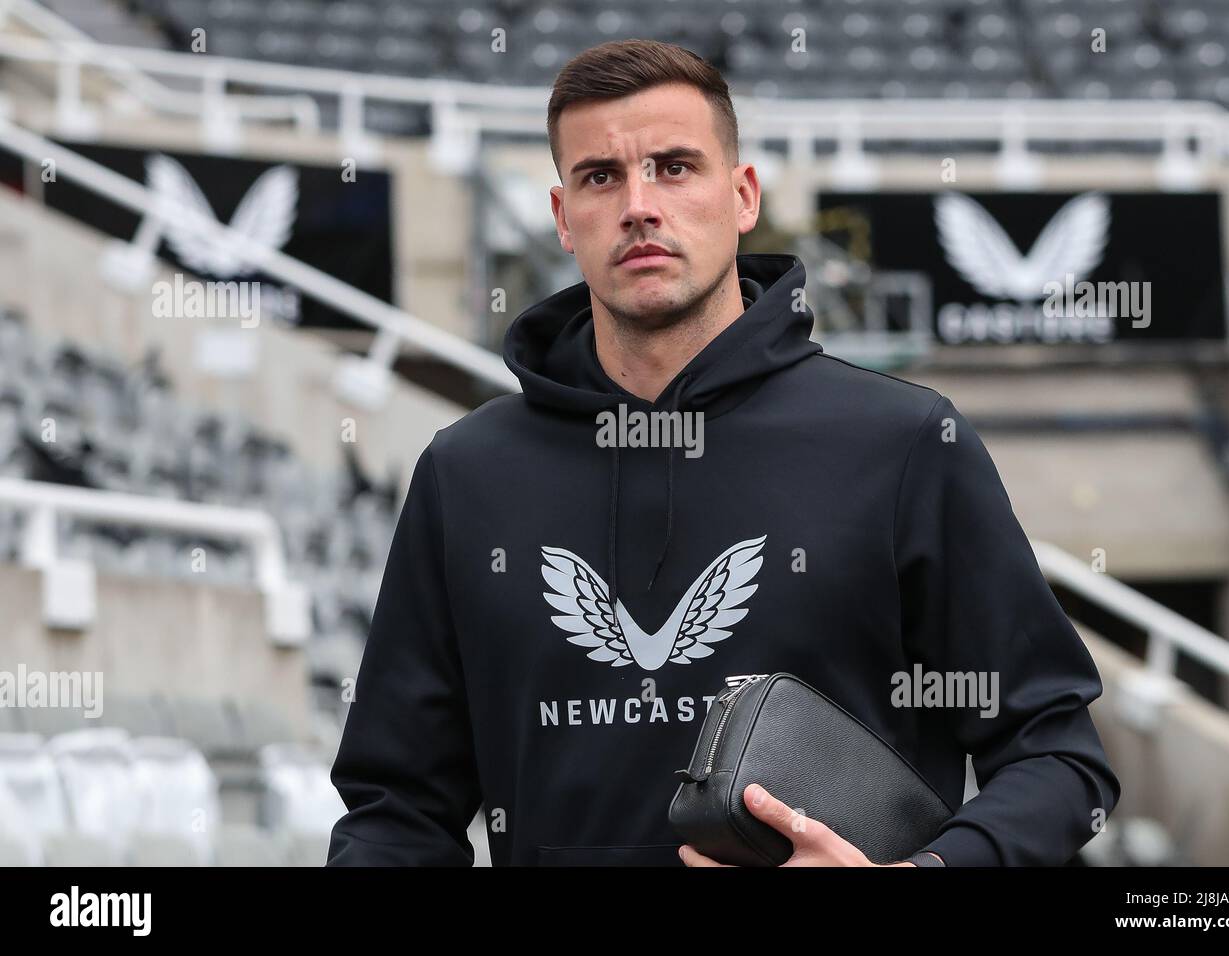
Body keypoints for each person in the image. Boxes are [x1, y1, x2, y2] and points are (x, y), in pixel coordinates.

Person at [326, 38, 1120, 867]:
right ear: (564, 219)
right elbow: (396, 809)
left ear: (742, 197)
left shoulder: (902, 445)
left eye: (674, 167)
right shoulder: (467, 474)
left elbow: (1057, 757)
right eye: (602, 176)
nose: (639, 205)